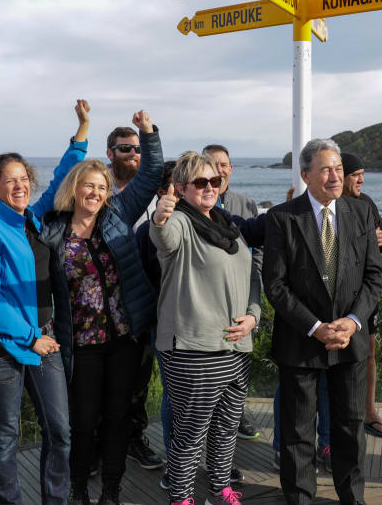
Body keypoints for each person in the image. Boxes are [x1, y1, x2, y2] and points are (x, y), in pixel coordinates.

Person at [0, 100, 91, 505]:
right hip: (5, 347)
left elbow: (63, 178)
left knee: (60, 431)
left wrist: (82, 131)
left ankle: (54, 500)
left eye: (24, 179)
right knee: (5, 435)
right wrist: (29, 337)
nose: (20, 186)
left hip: (45, 340)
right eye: (10, 181)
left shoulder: (35, 219)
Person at [39, 111, 162, 505]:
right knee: (83, 422)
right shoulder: (53, 229)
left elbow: (150, 172)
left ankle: (111, 491)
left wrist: (147, 133)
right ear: (75, 188)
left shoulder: (118, 216)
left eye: (101, 187)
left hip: (124, 337)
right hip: (82, 343)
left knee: (117, 420)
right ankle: (78, 490)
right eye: (88, 186)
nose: (94, 193)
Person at [263, 138, 382, 505]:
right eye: (325, 170)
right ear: (305, 175)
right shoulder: (282, 218)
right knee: (298, 431)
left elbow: (374, 276)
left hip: (350, 340)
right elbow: (276, 285)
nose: (335, 177)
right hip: (301, 341)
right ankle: (300, 498)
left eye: (339, 169)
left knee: (349, 427)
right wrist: (316, 328)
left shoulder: (361, 213)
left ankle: (352, 497)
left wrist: (352, 321)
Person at [150, 151, 261, 505]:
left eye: (215, 181)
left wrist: (254, 315)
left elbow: (250, 275)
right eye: (200, 182)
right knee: (190, 432)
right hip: (194, 348)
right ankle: (181, 497)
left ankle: (220, 486)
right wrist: (160, 215)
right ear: (181, 188)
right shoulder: (180, 221)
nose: (210, 187)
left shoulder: (228, 224)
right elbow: (164, 239)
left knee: (227, 428)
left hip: (236, 347)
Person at [105, 124, 165, 471]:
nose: (133, 154)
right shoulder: (99, 194)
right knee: (106, 381)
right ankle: (102, 445)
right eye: (125, 149)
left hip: (149, 302)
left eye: (137, 148)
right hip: (111, 304)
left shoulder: (154, 195)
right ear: (110, 153)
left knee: (140, 380)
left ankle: (133, 438)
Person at [203, 144, 263, 442]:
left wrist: (257, 282)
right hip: (208, 300)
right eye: (213, 164)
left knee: (238, 358)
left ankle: (237, 414)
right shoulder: (194, 206)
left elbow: (257, 249)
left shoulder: (246, 203)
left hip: (242, 292)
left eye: (224, 164)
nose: (220, 169)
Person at [340, 153, 382, 439]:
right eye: (356, 174)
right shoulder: (333, 203)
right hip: (338, 292)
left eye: (363, 173)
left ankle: (369, 411)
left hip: (365, 292)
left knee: (369, 352)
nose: (361, 179)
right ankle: (338, 421)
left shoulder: (366, 201)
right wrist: (368, 240)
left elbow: (378, 249)